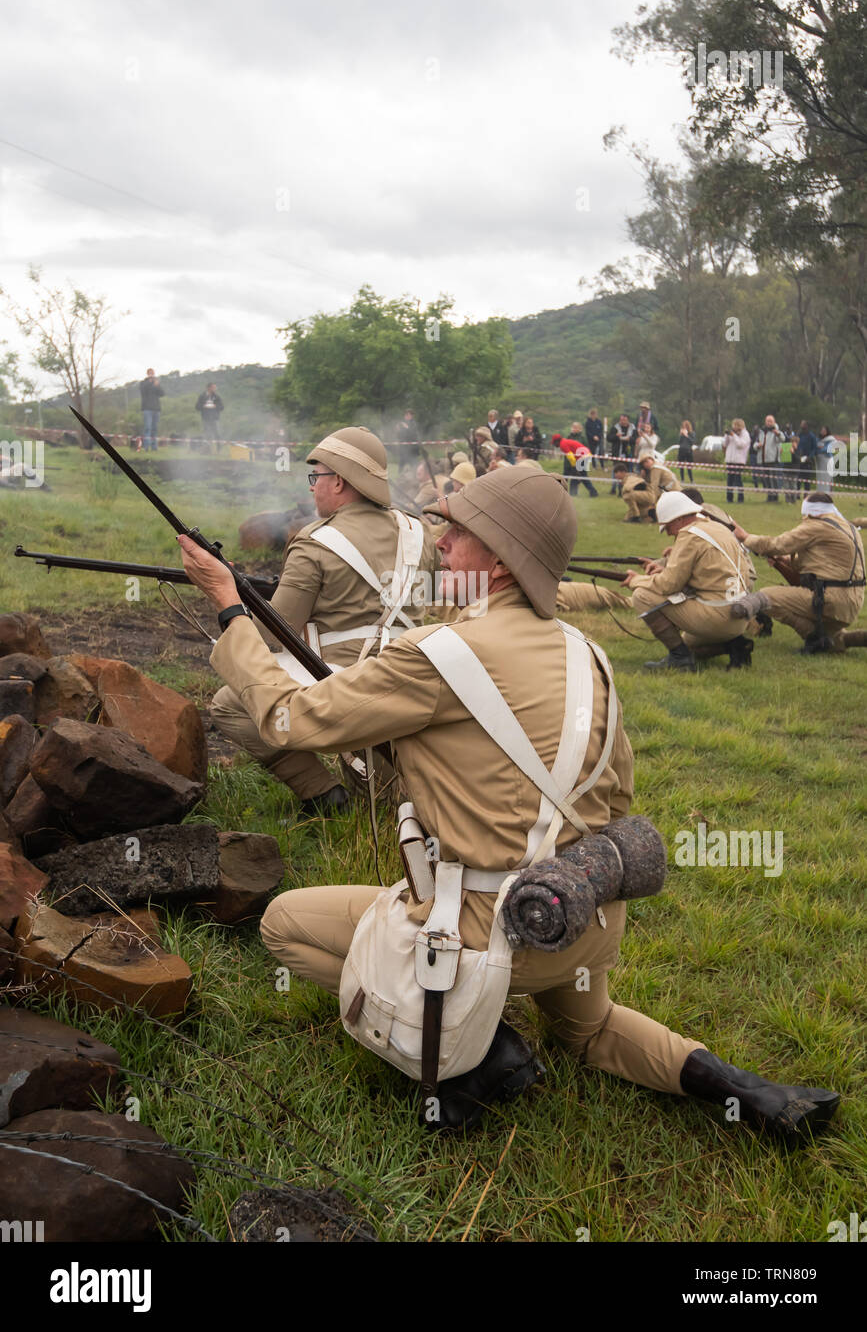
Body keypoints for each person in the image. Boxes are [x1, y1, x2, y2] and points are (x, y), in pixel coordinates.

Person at [178, 466, 840, 1140]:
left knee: (285, 922)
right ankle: (749, 1093)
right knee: (591, 1029)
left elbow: (291, 719)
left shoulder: (434, 654)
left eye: (456, 532)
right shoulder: (587, 654)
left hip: (482, 934)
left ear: (497, 559)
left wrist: (230, 606)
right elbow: (616, 794)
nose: (439, 543)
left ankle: (482, 1053)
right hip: (576, 915)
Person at [208, 425, 438, 814]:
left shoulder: (315, 541)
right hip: (410, 676)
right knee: (385, 803)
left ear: (340, 482)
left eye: (316, 476)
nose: (311, 487)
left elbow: (273, 635)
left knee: (228, 703)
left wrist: (230, 596)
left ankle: (321, 794)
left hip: (343, 681)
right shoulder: (421, 533)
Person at [622, 492, 753, 671]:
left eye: (667, 526)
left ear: (678, 519)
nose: (667, 533)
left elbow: (668, 585)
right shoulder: (718, 527)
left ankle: (680, 659)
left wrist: (637, 581)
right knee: (689, 644)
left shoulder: (689, 535)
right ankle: (733, 646)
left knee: (642, 596)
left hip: (718, 616)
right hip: (740, 615)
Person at [730, 493, 866, 654]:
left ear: (810, 513)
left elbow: (777, 544)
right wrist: (785, 561)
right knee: (833, 639)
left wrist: (745, 537)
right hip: (851, 603)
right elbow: (820, 563)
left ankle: (813, 637)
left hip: (830, 600)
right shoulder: (846, 526)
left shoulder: (816, 525)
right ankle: (847, 639)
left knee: (766, 597)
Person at [617, 455, 679, 524]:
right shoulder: (657, 466)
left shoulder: (656, 469)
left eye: (647, 461)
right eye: (644, 463)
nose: (646, 464)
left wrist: (653, 503)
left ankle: (639, 517)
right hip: (671, 491)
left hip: (671, 492)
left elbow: (654, 486)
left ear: (651, 459)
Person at [551, 428, 597, 497]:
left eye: (554, 443)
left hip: (583, 457)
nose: (554, 445)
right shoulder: (564, 442)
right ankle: (573, 493)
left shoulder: (562, 444)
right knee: (578, 476)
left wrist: (574, 467)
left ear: (557, 441)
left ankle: (593, 492)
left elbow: (571, 457)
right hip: (585, 455)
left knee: (582, 476)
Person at [753, 415, 784, 501]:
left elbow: (782, 439)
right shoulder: (761, 432)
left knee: (773, 479)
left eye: (770, 421)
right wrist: (757, 446)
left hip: (772, 459)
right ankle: (769, 496)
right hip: (763, 459)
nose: (768, 423)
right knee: (765, 479)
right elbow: (755, 443)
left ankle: (775, 496)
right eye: (767, 421)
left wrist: (778, 434)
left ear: (774, 422)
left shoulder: (776, 432)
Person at [723, 418, 751, 503]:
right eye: (733, 425)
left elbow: (740, 445)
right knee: (730, 480)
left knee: (738, 480)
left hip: (739, 460)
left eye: (736, 425)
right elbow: (724, 444)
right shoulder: (732, 434)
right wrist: (727, 436)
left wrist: (734, 436)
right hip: (730, 459)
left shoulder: (745, 434)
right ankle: (729, 498)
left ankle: (740, 498)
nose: (734, 427)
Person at [607, 414, 636, 493]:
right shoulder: (615, 428)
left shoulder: (633, 428)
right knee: (616, 471)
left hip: (628, 454)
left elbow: (635, 440)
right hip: (617, 454)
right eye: (621, 420)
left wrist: (629, 439)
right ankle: (613, 488)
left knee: (627, 472)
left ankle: (625, 488)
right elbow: (609, 438)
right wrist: (616, 436)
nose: (622, 421)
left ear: (628, 420)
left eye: (624, 420)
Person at [139, 368, 164, 453]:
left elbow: (162, 394)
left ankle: (154, 447)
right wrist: (150, 382)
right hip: (147, 409)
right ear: (147, 374)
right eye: (150, 373)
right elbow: (143, 391)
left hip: (156, 409)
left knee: (155, 429)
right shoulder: (143, 383)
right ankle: (146, 447)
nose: (151, 374)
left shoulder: (156, 383)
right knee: (147, 428)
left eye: (152, 373)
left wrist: (157, 385)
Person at [195, 382, 224, 450]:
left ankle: (219, 448)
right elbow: (197, 407)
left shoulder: (217, 397)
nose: (215, 389)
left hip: (215, 418)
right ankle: (207, 449)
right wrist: (204, 406)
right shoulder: (202, 396)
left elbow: (222, 407)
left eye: (215, 387)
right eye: (213, 387)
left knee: (217, 433)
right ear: (208, 388)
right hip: (206, 418)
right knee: (207, 434)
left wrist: (215, 406)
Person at [793, 420, 819, 496]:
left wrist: (809, 457)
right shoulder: (799, 435)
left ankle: (806, 495)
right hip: (799, 460)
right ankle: (797, 495)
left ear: (807, 426)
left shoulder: (812, 436)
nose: (801, 426)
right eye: (801, 424)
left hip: (808, 461)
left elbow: (815, 448)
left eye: (803, 424)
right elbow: (795, 445)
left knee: (807, 480)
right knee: (798, 479)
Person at [816, 425, 836, 490]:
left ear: (827, 431)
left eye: (824, 430)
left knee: (827, 477)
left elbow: (827, 449)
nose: (822, 432)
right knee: (820, 477)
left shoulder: (831, 439)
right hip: (820, 461)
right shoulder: (818, 439)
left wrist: (819, 450)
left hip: (827, 460)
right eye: (822, 430)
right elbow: (816, 447)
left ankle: (828, 492)